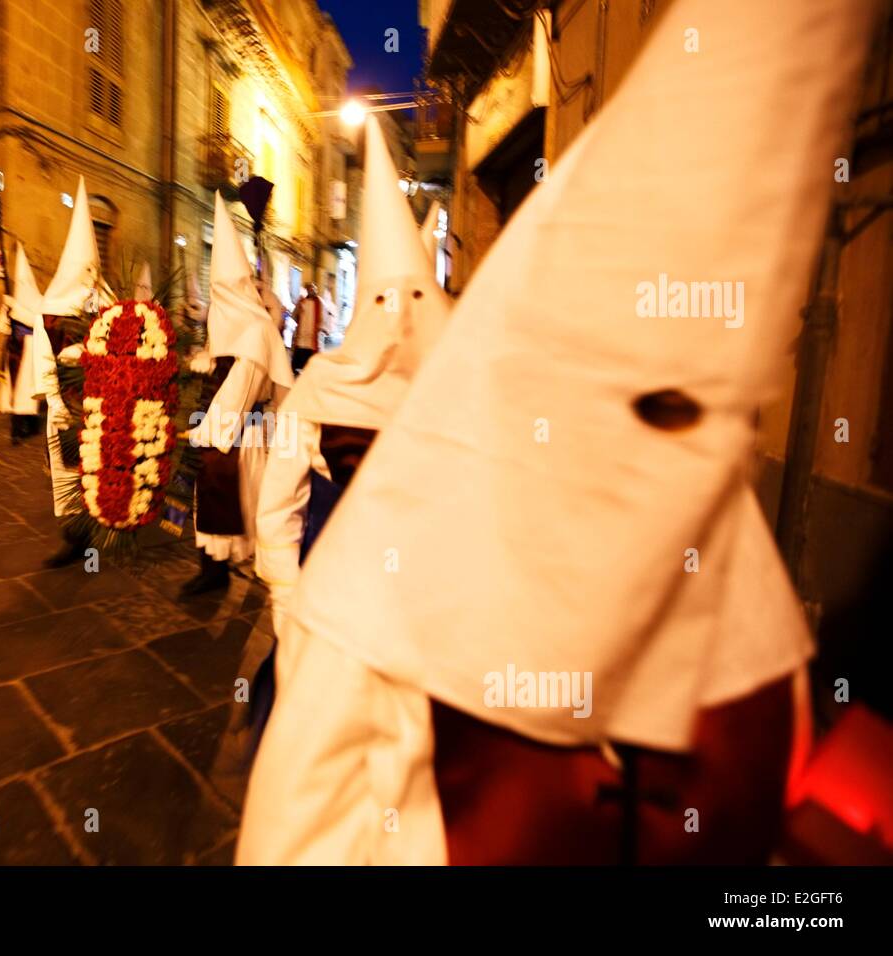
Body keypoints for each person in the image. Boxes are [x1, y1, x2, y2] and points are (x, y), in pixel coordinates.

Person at [237, 0, 880, 865]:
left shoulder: (743, 615)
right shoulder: (380, 604)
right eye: (649, 406)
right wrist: (286, 591)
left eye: (706, 414)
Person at [248, 113, 449, 738]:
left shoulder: (455, 393)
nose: (399, 320)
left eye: (414, 300)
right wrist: (288, 600)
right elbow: (278, 506)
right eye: (385, 301)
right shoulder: (319, 390)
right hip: (331, 608)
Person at [179, 193, 294, 597]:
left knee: (234, 496)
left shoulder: (255, 329)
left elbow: (242, 387)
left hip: (236, 432)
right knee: (222, 499)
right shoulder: (233, 323)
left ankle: (222, 569)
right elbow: (219, 363)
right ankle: (215, 566)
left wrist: (209, 434)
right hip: (223, 427)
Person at [32, 174, 114, 567]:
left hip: (99, 408)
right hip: (65, 409)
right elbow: (42, 357)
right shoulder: (49, 308)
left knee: (97, 470)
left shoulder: (109, 303)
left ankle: (93, 532)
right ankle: (76, 536)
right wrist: (50, 399)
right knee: (67, 473)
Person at [0, 244, 43, 444]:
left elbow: (36, 321)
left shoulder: (39, 301)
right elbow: (1, 327)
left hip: (31, 349)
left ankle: (29, 424)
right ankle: (16, 430)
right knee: (14, 392)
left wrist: (14, 308)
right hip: (14, 349)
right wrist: (5, 311)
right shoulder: (12, 302)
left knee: (28, 391)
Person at [290, 282, 329, 374]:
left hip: (312, 334)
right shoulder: (302, 301)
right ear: (307, 290)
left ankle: (310, 369)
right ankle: (297, 368)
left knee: (310, 351)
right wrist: (298, 310)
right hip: (302, 332)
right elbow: (295, 315)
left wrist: (322, 327)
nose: (311, 290)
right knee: (301, 350)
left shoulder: (319, 303)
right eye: (310, 288)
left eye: (313, 289)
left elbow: (323, 316)